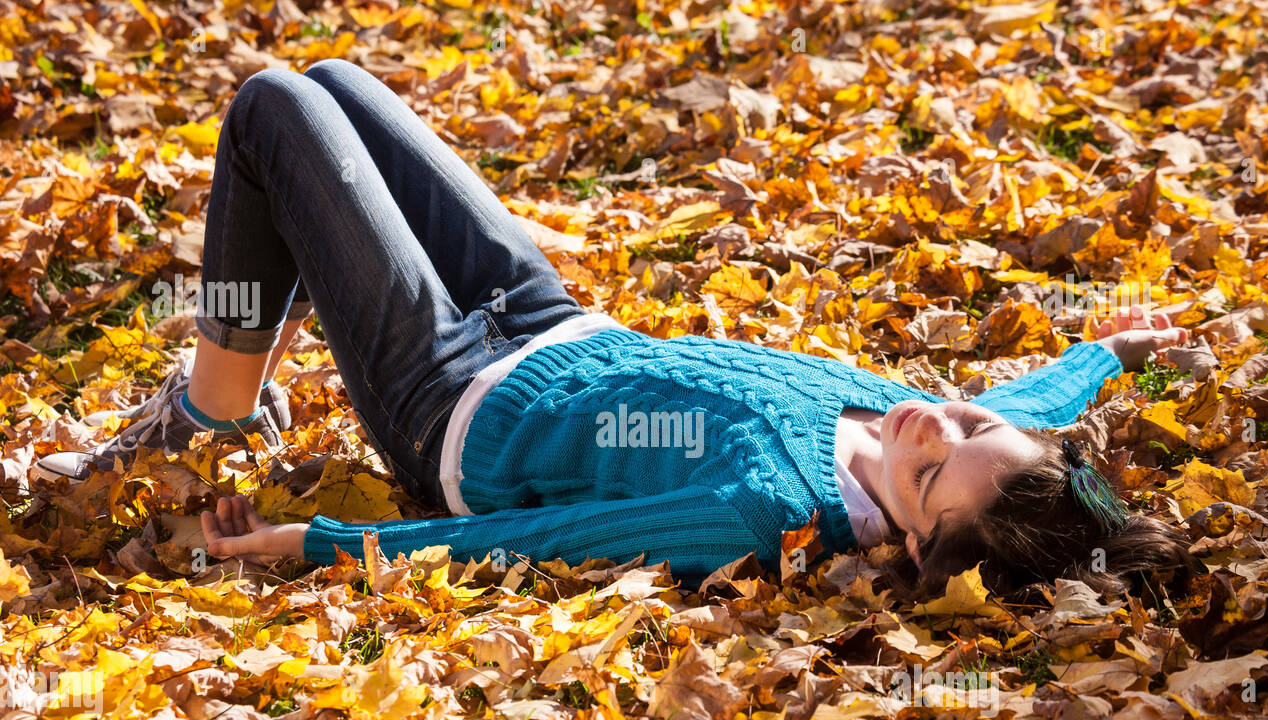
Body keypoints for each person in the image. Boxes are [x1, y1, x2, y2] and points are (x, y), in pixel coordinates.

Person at [33, 60, 1193, 597]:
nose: (925, 419)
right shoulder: (959, 448)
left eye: (931, 466)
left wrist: (313, 545)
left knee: (273, 113)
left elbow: (543, 542)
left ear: (913, 549)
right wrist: (1109, 353)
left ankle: (207, 411)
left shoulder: (762, 508)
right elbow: (1032, 419)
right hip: (545, 318)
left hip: (450, 400)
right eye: (962, 415)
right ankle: (233, 385)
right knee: (337, 78)